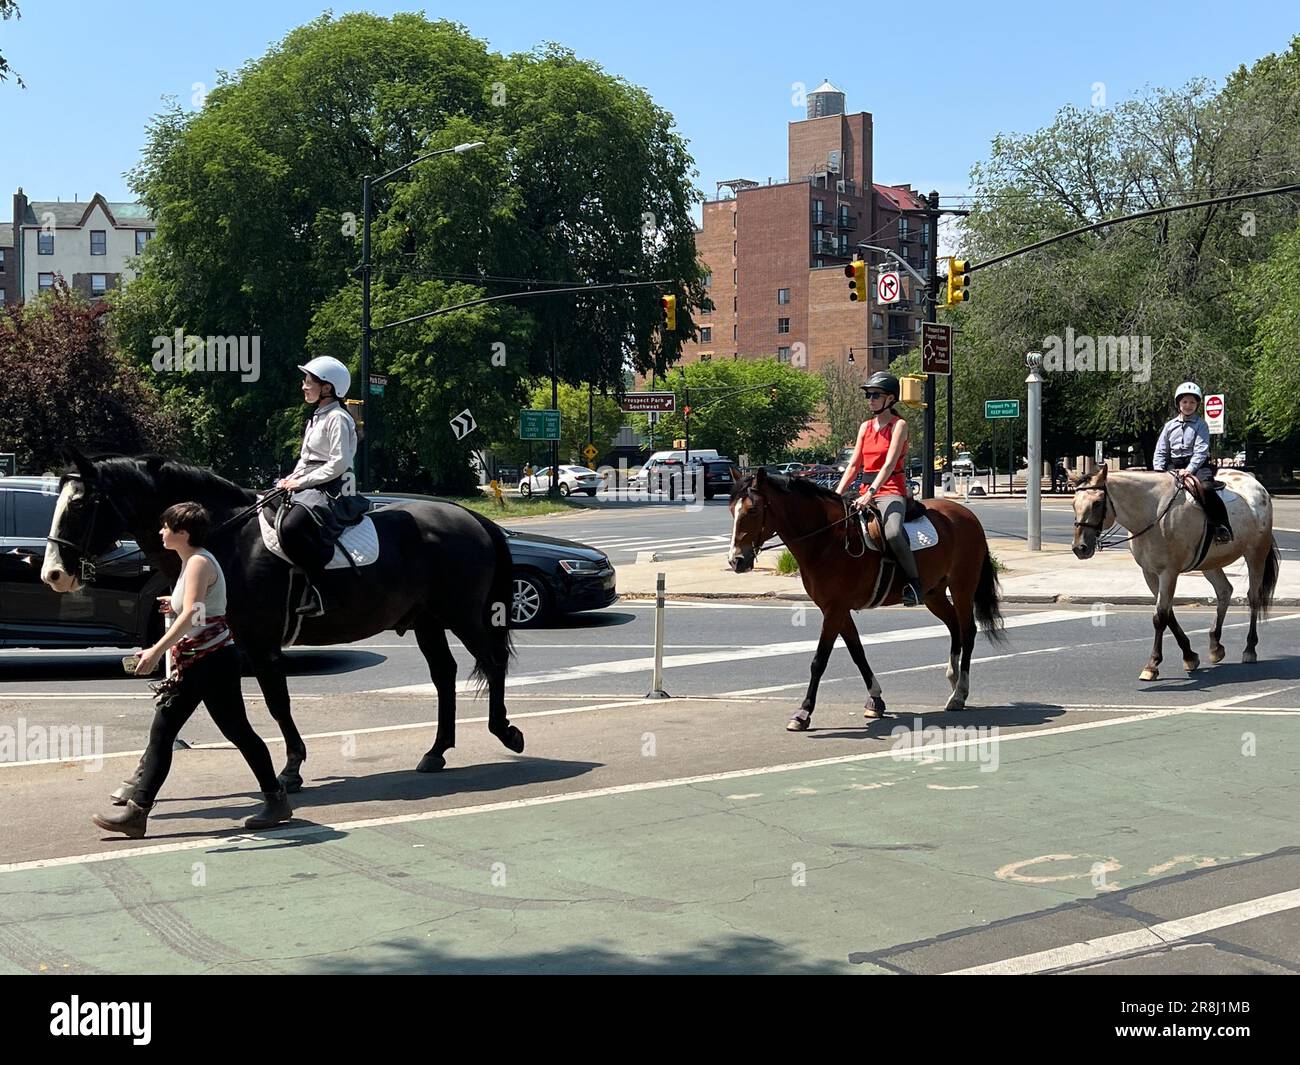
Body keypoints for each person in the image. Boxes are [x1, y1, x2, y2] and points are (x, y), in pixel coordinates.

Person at [92, 502, 292, 839]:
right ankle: (275, 799)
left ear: (183, 533)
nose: (161, 532)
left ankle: (138, 812)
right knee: (218, 731)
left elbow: (191, 618)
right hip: (205, 659)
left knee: (182, 731)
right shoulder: (191, 561)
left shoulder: (198, 562)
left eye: (166, 527)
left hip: (209, 661)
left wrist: (157, 650)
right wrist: (175, 604)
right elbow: (199, 613)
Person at [276, 355, 367, 616]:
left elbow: (338, 464)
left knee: (293, 525)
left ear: (327, 388)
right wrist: (288, 481)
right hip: (312, 483)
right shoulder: (317, 416)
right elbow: (306, 459)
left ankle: (322, 590)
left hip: (332, 489)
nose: (304, 386)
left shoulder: (338, 417)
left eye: (309, 381)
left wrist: (300, 482)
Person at [836, 371, 923, 606]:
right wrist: (836, 494)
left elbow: (889, 465)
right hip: (864, 489)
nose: (871, 399)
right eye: (869, 395)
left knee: (893, 532)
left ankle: (914, 584)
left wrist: (870, 493)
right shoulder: (865, 427)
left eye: (876, 395)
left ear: (890, 399)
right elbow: (854, 464)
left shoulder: (899, 425)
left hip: (890, 490)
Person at [1152, 381, 1232, 544]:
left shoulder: (1201, 424)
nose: (1188, 405)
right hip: (1173, 466)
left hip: (1197, 466)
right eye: (1185, 402)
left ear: (1197, 405)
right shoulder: (1169, 426)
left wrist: (1189, 469)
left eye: (1192, 402)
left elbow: (1201, 450)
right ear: (1178, 404)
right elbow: (1160, 451)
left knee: (1206, 489)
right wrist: (1158, 471)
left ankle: (1221, 526)